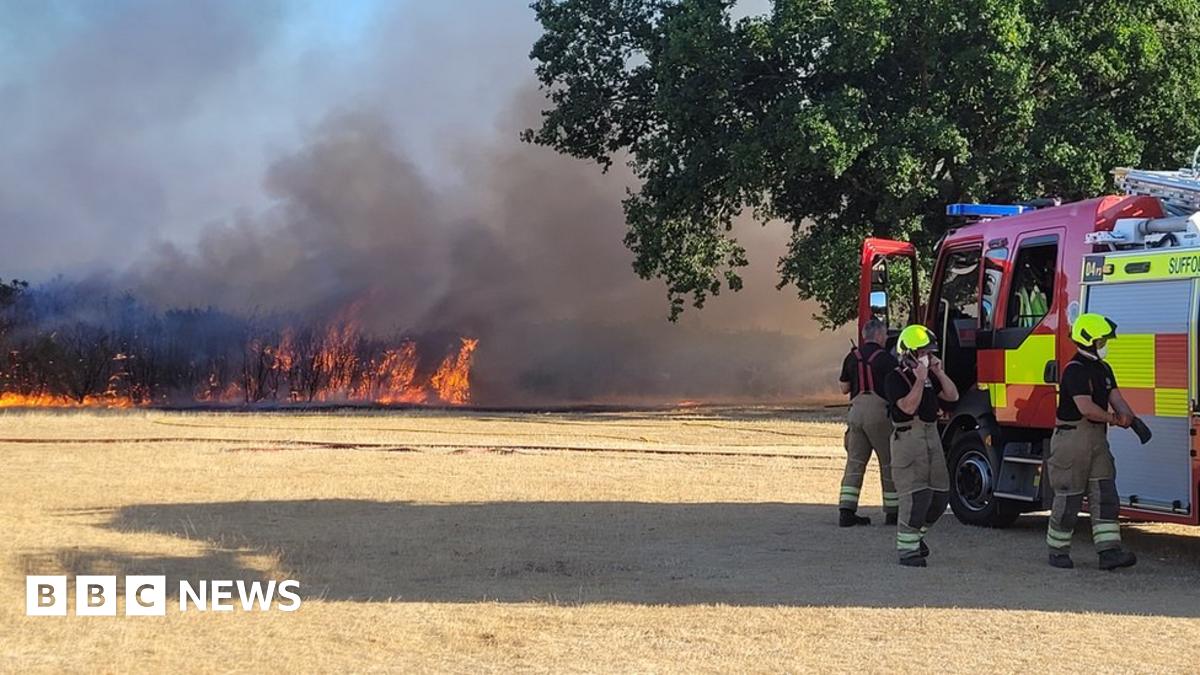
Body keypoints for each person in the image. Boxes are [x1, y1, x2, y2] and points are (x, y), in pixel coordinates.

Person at [1046, 313, 1138, 570]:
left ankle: (1109, 553)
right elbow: (1085, 407)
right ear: (1088, 340)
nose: (1105, 344)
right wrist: (1113, 418)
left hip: (1097, 439)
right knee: (1069, 497)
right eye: (1102, 340)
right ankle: (1058, 551)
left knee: (1105, 494)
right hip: (1072, 438)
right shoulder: (1074, 370)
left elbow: (1115, 396)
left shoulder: (1103, 368)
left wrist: (1129, 416)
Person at [883, 324, 959, 567]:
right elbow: (907, 407)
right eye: (923, 352)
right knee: (915, 497)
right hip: (908, 440)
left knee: (939, 495)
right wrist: (919, 380)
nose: (928, 356)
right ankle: (908, 551)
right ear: (908, 353)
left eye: (930, 352)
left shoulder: (928, 377)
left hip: (930, 436)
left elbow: (952, 396)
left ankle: (916, 537)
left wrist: (938, 373)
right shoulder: (894, 377)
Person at [837, 319, 899, 526]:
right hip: (879, 414)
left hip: (855, 413)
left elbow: (844, 388)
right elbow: (896, 387)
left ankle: (846, 511)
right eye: (885, 335)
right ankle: (893, 512)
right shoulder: (887, 359)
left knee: (855, 463)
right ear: (880, 336)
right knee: (889, 462)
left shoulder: (851, 357)